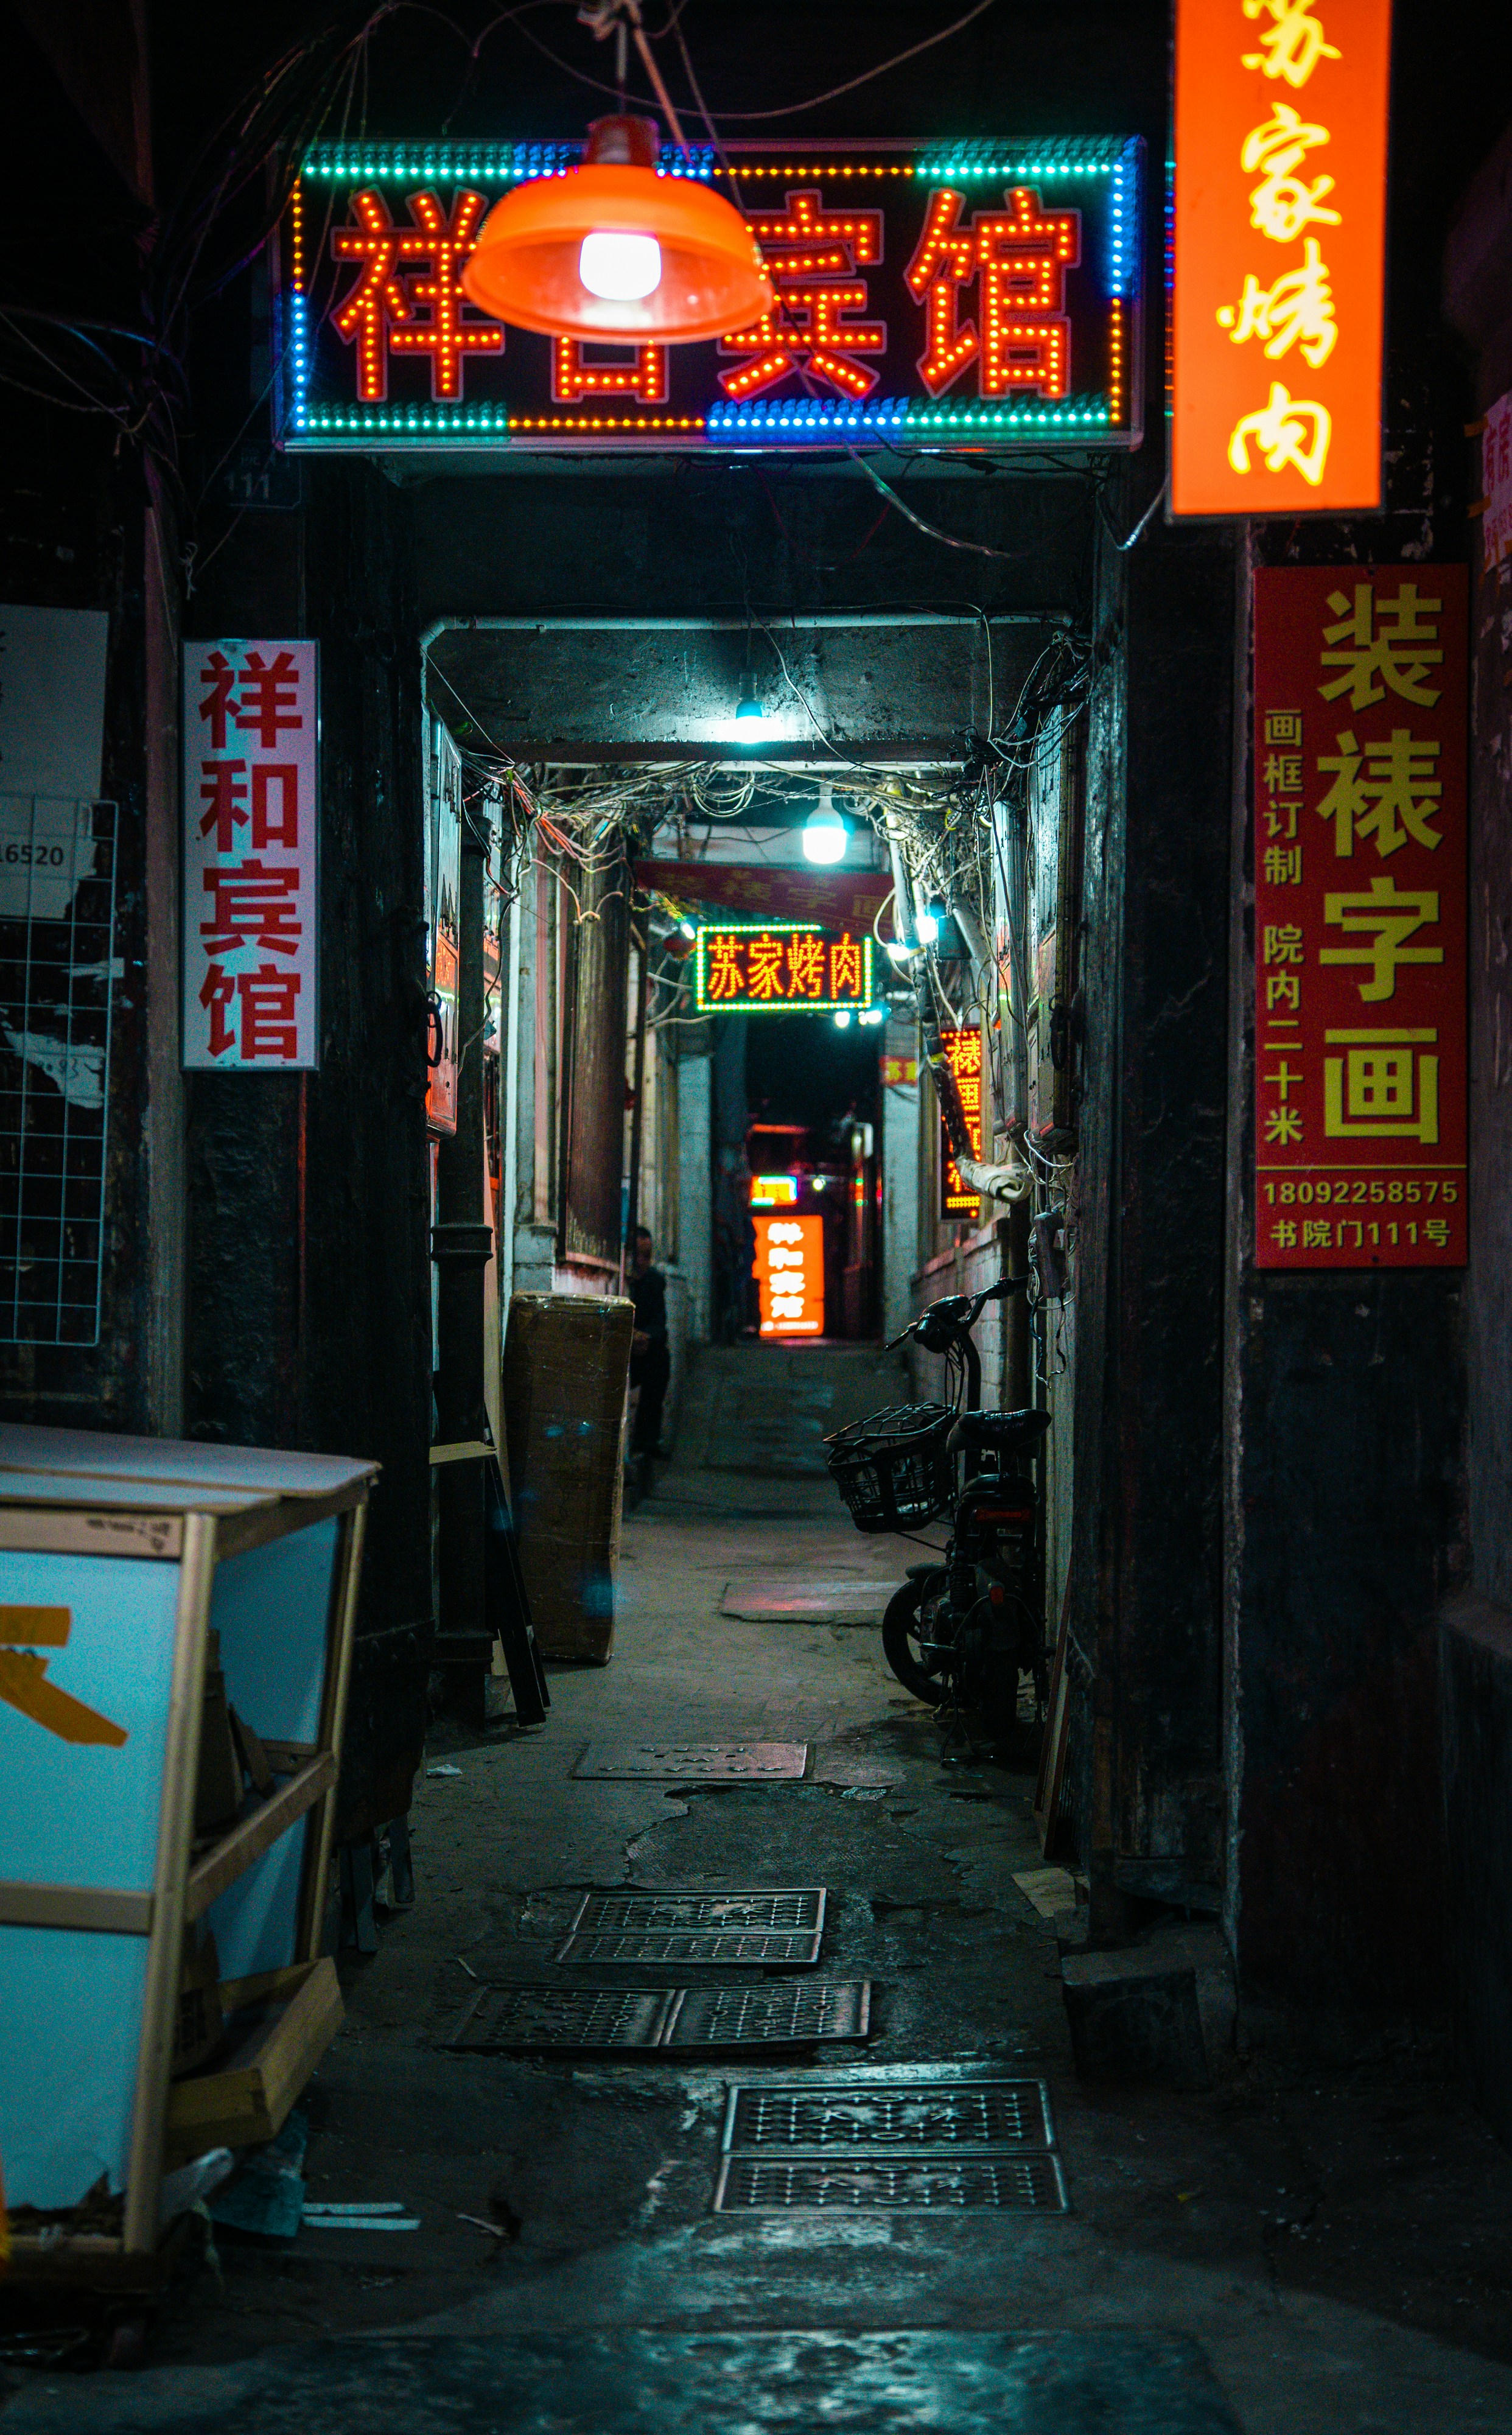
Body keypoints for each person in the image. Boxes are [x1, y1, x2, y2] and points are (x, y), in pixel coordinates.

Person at [626, 1225, 670, 1492]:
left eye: (647, 1256)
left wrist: (646, 1338)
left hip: (643, 1349)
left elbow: (660, 1323)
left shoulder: (653, 1281)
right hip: (624, 1348)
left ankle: (647, 1439)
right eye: (638, 1256)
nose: (642, 1262)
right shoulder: (623, 1279)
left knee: (660, 1360)